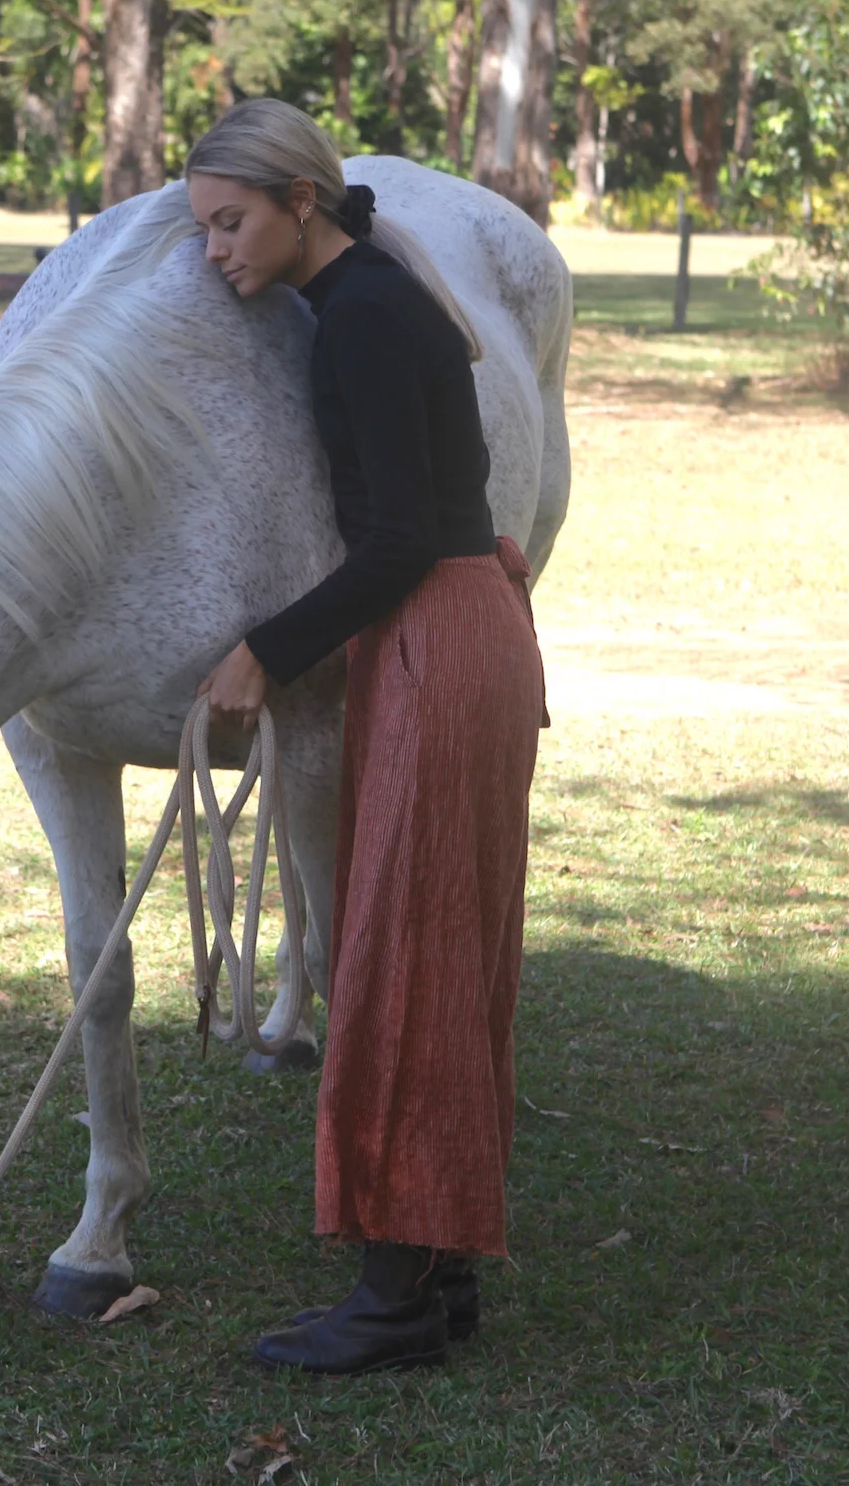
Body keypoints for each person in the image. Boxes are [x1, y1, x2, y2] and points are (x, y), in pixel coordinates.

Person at [187, 99, 548, 1376]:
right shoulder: (365, 302)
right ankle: (433, 1268)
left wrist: (262, 648)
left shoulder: (365, 321)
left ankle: (397, 1297)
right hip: (453, 631)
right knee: (435, 948)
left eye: (231, 224)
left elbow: (396, 539)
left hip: (440, 634)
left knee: (400, 958)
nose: (218, 252)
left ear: (301, 202)